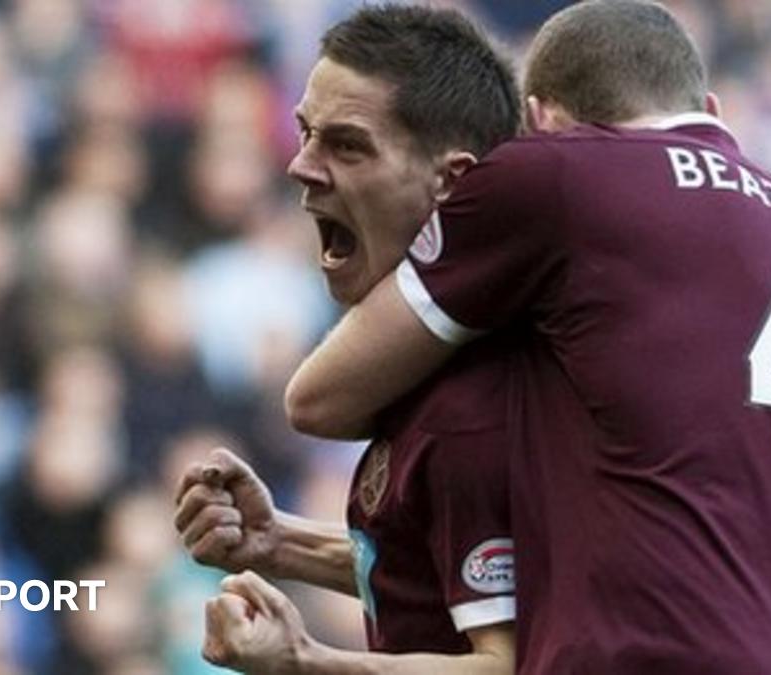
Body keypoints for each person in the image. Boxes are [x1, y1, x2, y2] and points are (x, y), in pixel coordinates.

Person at [285, 1, 771, 673]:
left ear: (542, 119)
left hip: (667, 654)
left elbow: (321, 400)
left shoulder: (559, 174)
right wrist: (282, 544)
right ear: (710, 110)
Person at [173, 5, 523, 673]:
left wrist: (305, 660)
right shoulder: (418, 371)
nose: (301, 166)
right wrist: (280, 543)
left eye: (347, 144)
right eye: (306, 134)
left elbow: (505, 664)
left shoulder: (475, 409)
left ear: (452, 181)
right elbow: (437, 571)